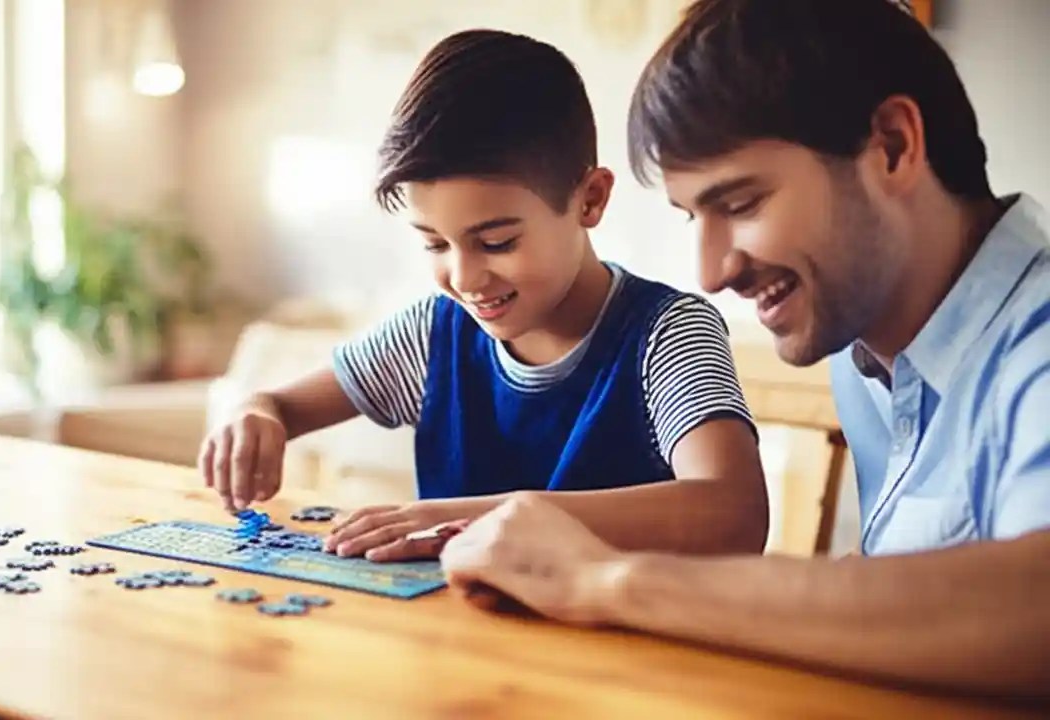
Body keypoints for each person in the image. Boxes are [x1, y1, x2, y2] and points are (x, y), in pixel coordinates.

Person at [440, 0, 1050, 698]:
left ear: (891, 146)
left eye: (740, 204)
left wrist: (604, 579)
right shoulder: (867, 355)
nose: (710, 273)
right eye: (694, 216)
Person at [197, 29, 767, 562]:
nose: (465, 278)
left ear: (590, 200)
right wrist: (257, 413)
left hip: (621, 658)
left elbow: (735, 512)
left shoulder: (666, 332)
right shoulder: (433, 331)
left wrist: (470, 519)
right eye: (435, 244)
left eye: (496, 241)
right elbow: (280, 405)